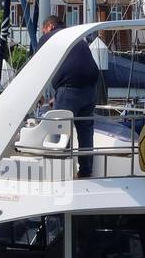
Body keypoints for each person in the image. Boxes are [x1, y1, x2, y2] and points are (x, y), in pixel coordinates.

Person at [37, 15, 100, 178]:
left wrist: (39, 95)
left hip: (69, 89)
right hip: (90, 88)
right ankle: (86, 171)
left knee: (60, 131)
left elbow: (38, 68)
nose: (42, 33)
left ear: (49, 26)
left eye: (42, 29)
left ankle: (59, 173)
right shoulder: (76, 38)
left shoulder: (48, 38)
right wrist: (58, 96)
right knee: (85, 132)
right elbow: (74, 64)